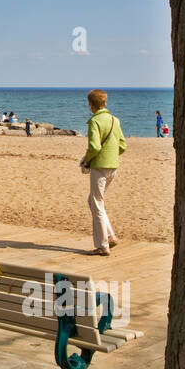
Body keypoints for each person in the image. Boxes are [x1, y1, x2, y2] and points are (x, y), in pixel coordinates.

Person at [80, 89, 126, 255]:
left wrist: (86, 160)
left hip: (99, 166)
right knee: (94, 201)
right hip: (113, 166)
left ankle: (102, 245)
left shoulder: (95, 121)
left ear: (91, 105)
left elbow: (94, 146)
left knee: (97, 203)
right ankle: (110, 236)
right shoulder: (115, 120)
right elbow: (122, 145)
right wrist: (111, 155)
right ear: (105, 103)